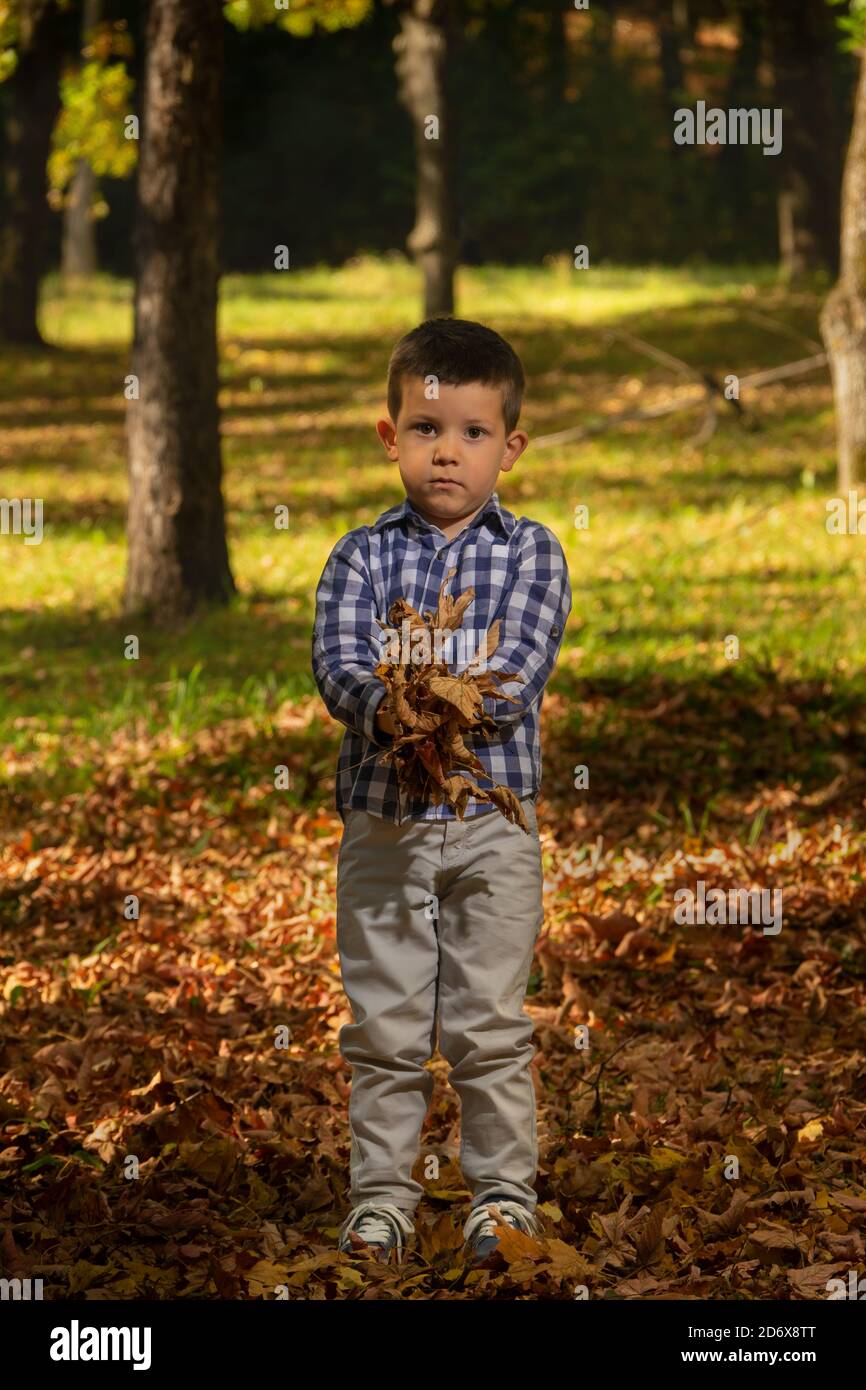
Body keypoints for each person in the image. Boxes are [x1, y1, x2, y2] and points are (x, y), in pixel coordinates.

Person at [311, 316, 572, 1264]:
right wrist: (390, 712)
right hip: (384, 826)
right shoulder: (360, 556)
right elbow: (342, 665)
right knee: (383, 1028)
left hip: (493, 832)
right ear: (391, 436)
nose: (448, 451)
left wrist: (445, 701)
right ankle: (381, 1198)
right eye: (426, 429)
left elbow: (518, 672)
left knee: (488, 1025)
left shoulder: (532, 553)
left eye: (472, 432)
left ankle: (502, 1199)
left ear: (511, 446)